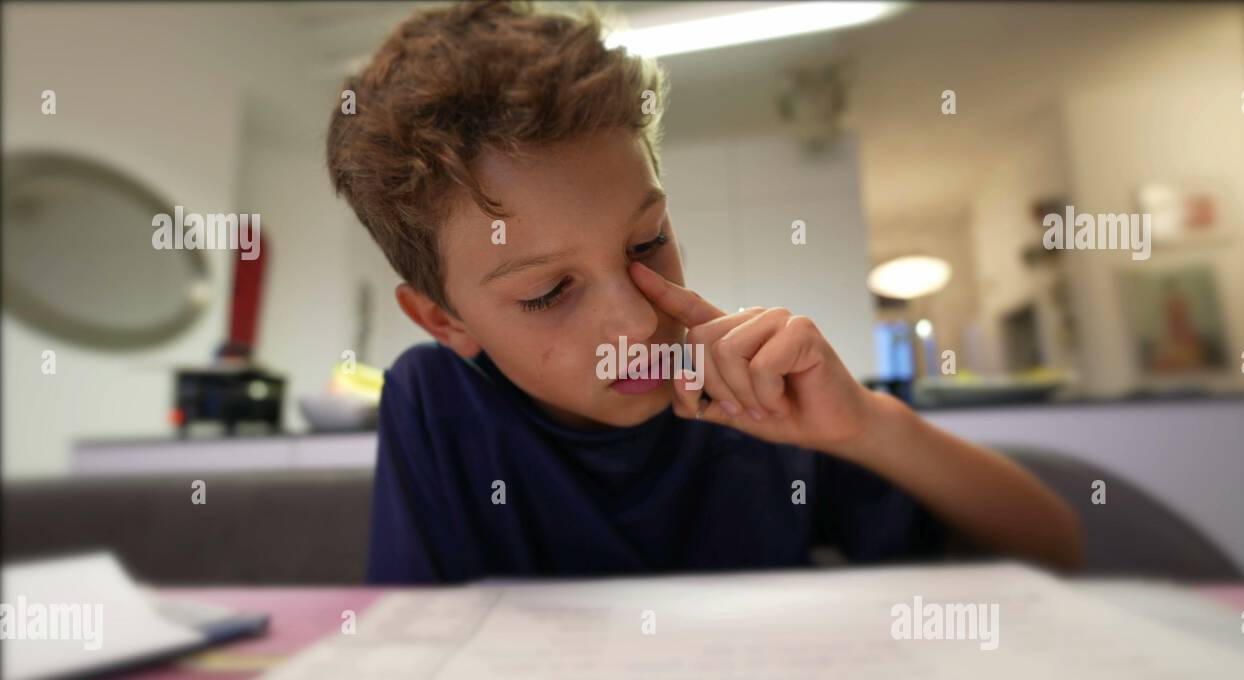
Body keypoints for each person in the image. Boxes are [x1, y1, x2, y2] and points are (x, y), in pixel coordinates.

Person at [325, 1, 1082, 584]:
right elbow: (413, 654)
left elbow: (1058, 551)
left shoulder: (754, 397)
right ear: (444, 319)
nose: (635, 318)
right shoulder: (437, 407)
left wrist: (865, 428)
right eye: (550, 290)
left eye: (648, 242)